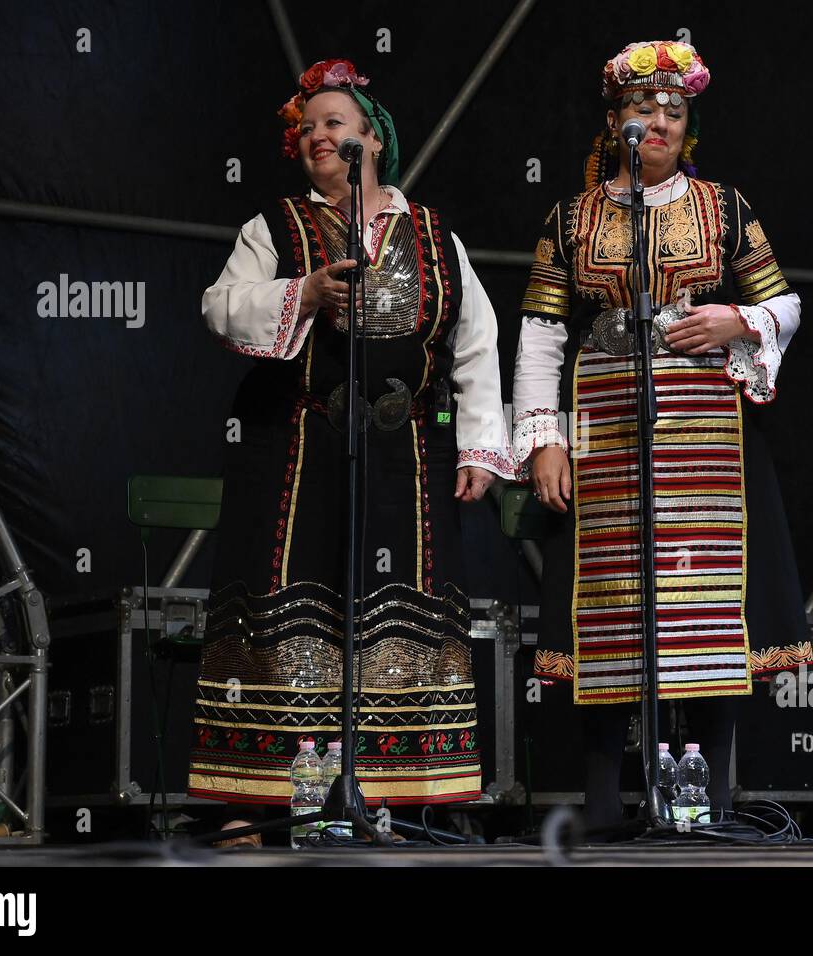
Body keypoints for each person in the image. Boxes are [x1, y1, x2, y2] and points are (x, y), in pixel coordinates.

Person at [188, 58, 513, 837]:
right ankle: (262, 796)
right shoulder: (274, 228)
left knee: (399, 606)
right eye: (307, 128)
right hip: (296, 448)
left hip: (405, 456)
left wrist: (478, 447)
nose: (317, 136)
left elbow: (475, 342)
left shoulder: (433, 235)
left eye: (335, 122)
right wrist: (304, 293)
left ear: (374, 137)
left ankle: (395, 791)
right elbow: (220, 309)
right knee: (289, 603)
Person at [511, 40, 812, 828]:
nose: (660, 122)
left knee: (703, 601)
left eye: (674, 112)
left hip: (706, 427)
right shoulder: (572, 218)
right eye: (644, 109)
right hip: (604, 423)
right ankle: (607, 804)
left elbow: (786, 305)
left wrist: (736, 318)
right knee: (611, 603)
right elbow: (543, 329)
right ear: (614, 123)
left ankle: (708, 804)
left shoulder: (723, 207)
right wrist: (544, 437)